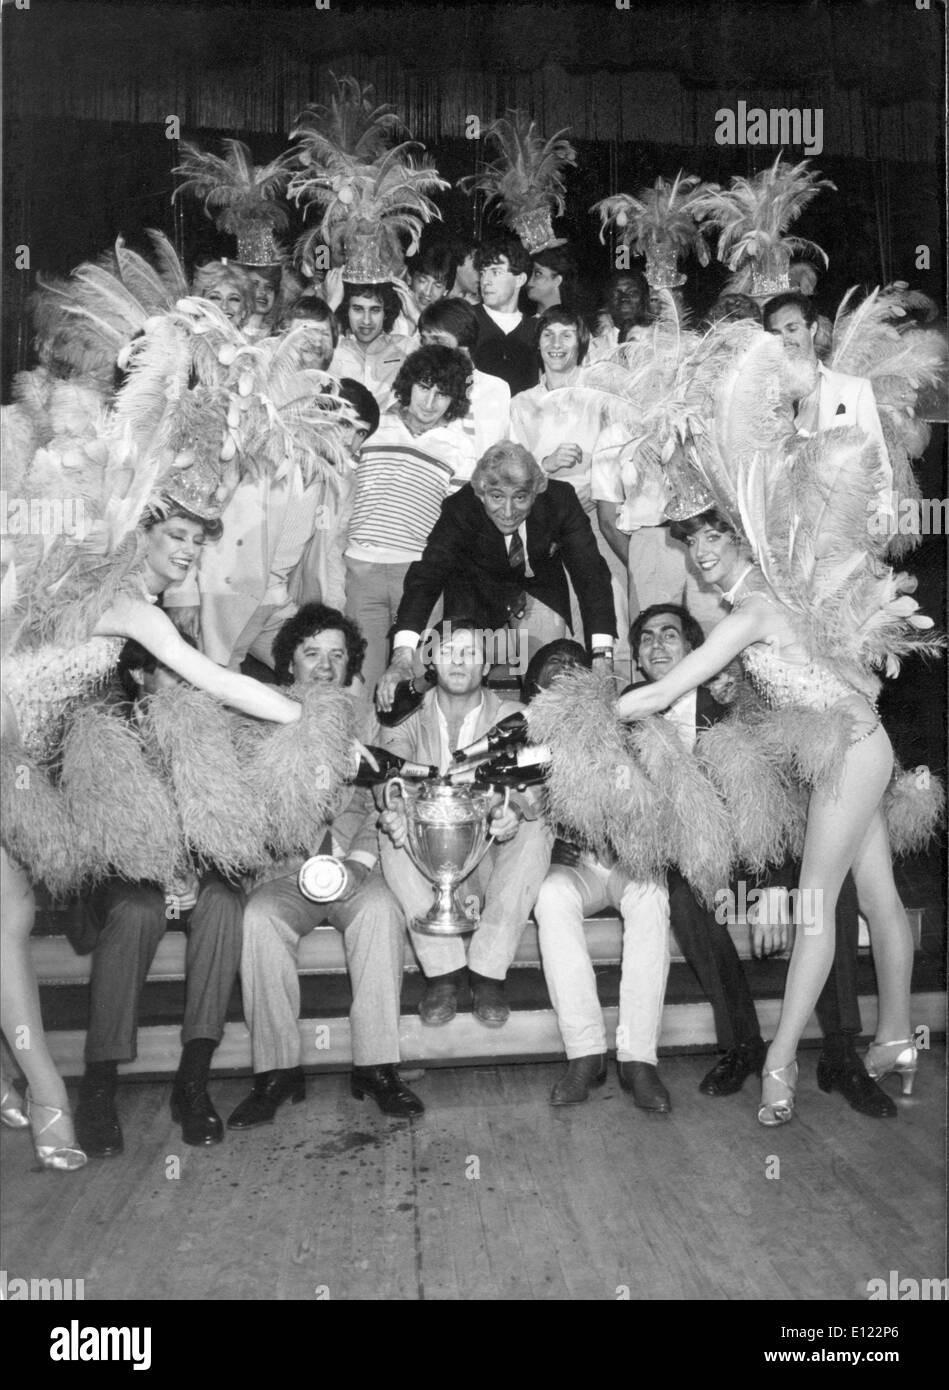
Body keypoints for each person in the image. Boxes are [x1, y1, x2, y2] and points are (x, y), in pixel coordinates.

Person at [1, 497, 349, 1172]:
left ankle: (30, 1080)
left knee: (6, 922)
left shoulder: (134, 612)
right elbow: (211, 680)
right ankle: (51, 1094)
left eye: (197, 538)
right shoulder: (70, 597)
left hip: (25, 775)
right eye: (177, 535)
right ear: (138, 533)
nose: (189, 549)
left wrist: (317, 725)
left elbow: (215, 684)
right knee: (7, 925)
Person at [615, 509, 921, 1126]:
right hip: (854, 744)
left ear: (739, 539)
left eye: (713, 537)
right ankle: (894, 1037)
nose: (701, 552)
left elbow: (661, 693)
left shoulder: (754, 608)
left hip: (850, 752)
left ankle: (781, 1061)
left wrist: (595, 713)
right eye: (691, 540)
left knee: (814, 903)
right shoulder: (766, 597)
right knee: (879, 896)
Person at [228, 603, 423, 1126]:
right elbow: (249, 804)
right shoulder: (260, 713)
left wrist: (360, 861)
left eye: (336, 655)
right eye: (311, 653)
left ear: (351, 664)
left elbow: (380, 798)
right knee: (257, 919)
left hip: (353, 866)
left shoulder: (367, 718)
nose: (324, 665)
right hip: (285, 869)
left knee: (382, 912)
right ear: (289, 661)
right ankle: (277, 1074)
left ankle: (377, 1067)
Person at [74, 638, 245, 1156]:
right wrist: (153, 868)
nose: (186, 682)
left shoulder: (212, 733)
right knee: (136, 910)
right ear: (140, 675)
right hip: (126, 876)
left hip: (196, 871)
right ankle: (98, 1085)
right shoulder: (102, 732)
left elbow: (233, 818)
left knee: (225, 903)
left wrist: (201, 865)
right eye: (172, 671)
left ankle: (192, 1080)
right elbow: (89, 831)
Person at [378, 619, 552, 1027]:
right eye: (448, 650)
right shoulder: (408, 713)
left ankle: (487, 973)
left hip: (489, 853)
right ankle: (444, 974)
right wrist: (398, 808)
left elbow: (540, 782)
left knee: (535, 827)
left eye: (470, 652)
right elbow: (387, 775)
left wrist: (512, 807)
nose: (458, 660)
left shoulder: (515, 715)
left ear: (487, 666)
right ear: (431, 661)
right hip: (428, 855)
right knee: (389, 829)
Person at [529, 641, 673, 1111]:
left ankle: (638, 1060)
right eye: (554, 670)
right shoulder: (526, 737)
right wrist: (552, 839)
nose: (567, 676)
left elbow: (661, 803)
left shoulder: (625, 725)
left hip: (627, 862)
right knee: (550, 894)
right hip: (576, 869)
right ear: (537, 686)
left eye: (576, 668)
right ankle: (585, 1053)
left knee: (651, 893)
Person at [377, 442, 617, 710]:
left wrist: (602, 656)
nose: (508, 512)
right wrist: (402, 655)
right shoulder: (460, 507)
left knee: (549, 682)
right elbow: (425, 578)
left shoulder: (560, 500)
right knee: (449, 676)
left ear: (536, 492)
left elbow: (591, 575)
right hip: (474, 597)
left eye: (520, 498)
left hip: (538, 593)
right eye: (497, 497)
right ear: (481, 494)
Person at [342, 344, 477, 697]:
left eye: (443, 394)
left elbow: (454, 529)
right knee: (359, 680)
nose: (430, 402)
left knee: (415, 683)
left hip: (419, 577)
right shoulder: (372, 427)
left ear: (455, 401)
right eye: (424, 387)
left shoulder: (460, 448)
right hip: (361, 569)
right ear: (408, 384)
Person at [510, 305, 632, 674]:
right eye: (548, 335)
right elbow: (511, 473)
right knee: (545, 627)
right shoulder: (521, 404)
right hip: (542, 523)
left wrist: (597, 487)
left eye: (565, 334)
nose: (556, 344)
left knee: (611, 613)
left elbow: (625, 448)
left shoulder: (604, 394)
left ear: (580, 342)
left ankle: (616, 696)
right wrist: (544, 465)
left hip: (597, 516)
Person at [762, 291, 888, 491]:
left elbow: (878, 467)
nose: (784, 340)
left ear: (812, 328)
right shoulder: (760, 397)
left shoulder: (854, 390)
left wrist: (881, 518)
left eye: (792, 329)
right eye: (776, 334)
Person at [417, 298, 511, 459]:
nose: (429, 348)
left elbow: (489, 453)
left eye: (438, 340)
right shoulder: (417, 386)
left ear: (464, 343)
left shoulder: (493, 388)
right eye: (424, 340)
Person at [469, 239, 539, 396]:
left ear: (520, 279)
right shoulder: (465, 319)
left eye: (495, 272)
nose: (485, 281)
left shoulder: (537, 330)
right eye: (482, 273)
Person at [329, 281, 411, 411]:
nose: (366, 320)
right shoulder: (330, 348)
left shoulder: (405, 347)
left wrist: (417, 315)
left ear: (386, 313)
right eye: (357, 309)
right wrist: (332, 303)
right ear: (346, 311)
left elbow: (446, 362)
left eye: (375, 310)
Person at [190, 261, 256, 330]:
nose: (224, 306)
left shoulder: (256, 340)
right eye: (215, 298)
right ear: (201, 305)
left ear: (244, 310)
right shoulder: (181, 338)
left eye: (233, 299)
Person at [526, 245, 577, 316]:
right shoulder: (526, 324)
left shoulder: (574, 324)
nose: (529, 281)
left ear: (557, 281)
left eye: (538, 274)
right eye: (529, 273)